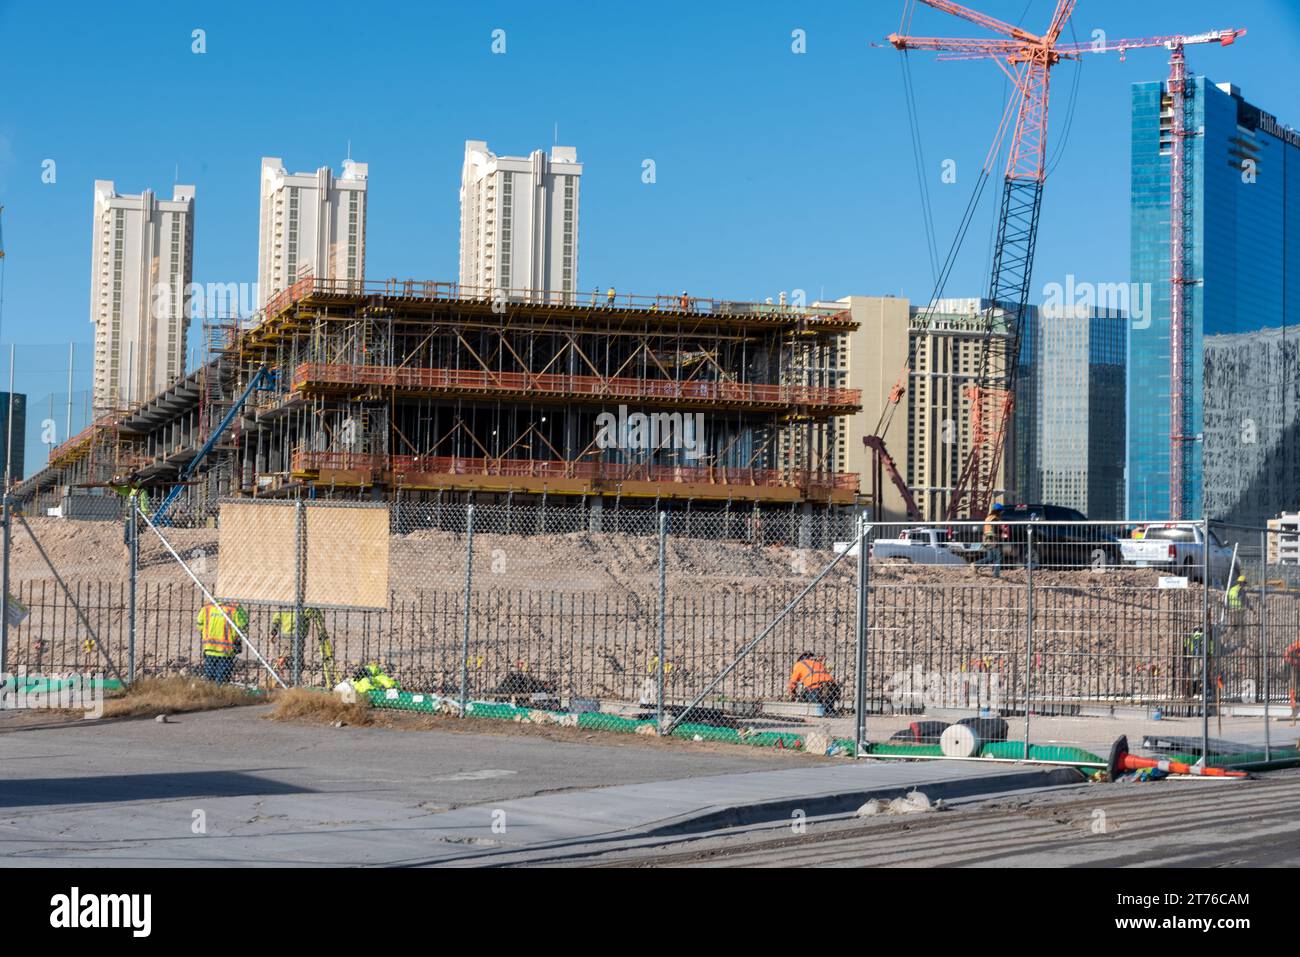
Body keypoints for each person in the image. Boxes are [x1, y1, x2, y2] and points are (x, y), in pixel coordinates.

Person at [196, 601, 249, 685]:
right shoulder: (235, 607)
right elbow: (244, 626)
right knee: (222, 680)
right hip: (226, 650)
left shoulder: (207, 606)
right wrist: (234, 634)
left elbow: (199, 625)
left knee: (209, 680)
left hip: (210, 648)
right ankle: (220, 694)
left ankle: (210, 695)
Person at [974, 502, 1004, 578]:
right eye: (1001, 511)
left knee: (990, 558)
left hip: (987, 540)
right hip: (993, 540)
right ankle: (996, 575)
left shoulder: (988, 517)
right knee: (998, 558)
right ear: (999, 511)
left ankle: (976, 564)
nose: (1002, 513)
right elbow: (995, 530)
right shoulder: (995, 519)